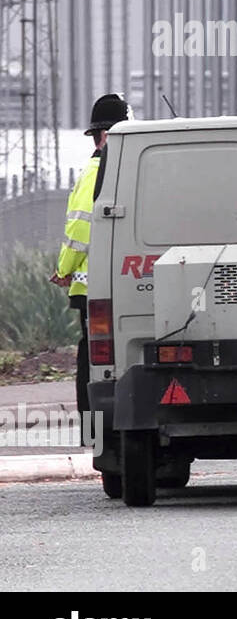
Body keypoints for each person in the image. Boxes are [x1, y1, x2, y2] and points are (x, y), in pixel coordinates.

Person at [50, 93, 130, 414]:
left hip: (90, 285)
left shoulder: (94, 172)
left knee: (92, 355)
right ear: (108, 135)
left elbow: (79, 230)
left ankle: (91, 425)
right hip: (115, 280)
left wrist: (63, 269)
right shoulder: (119, 171)